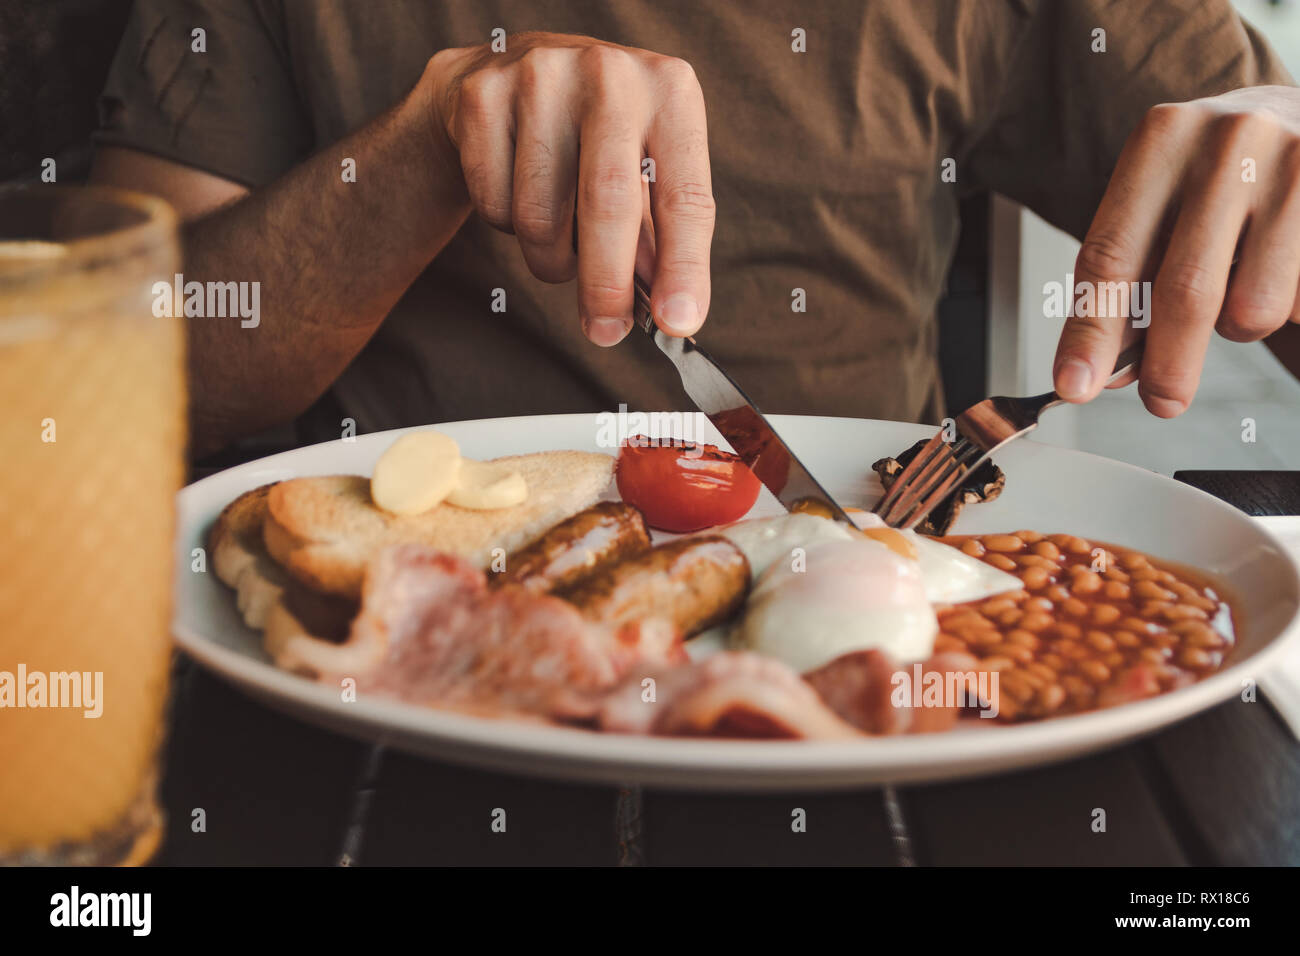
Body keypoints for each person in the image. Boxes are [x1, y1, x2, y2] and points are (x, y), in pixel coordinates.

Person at [90, 0, 1300, 458]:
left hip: (876, 665)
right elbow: (105, 380)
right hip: (376, 695)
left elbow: (1257, 195)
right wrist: (421, 151)